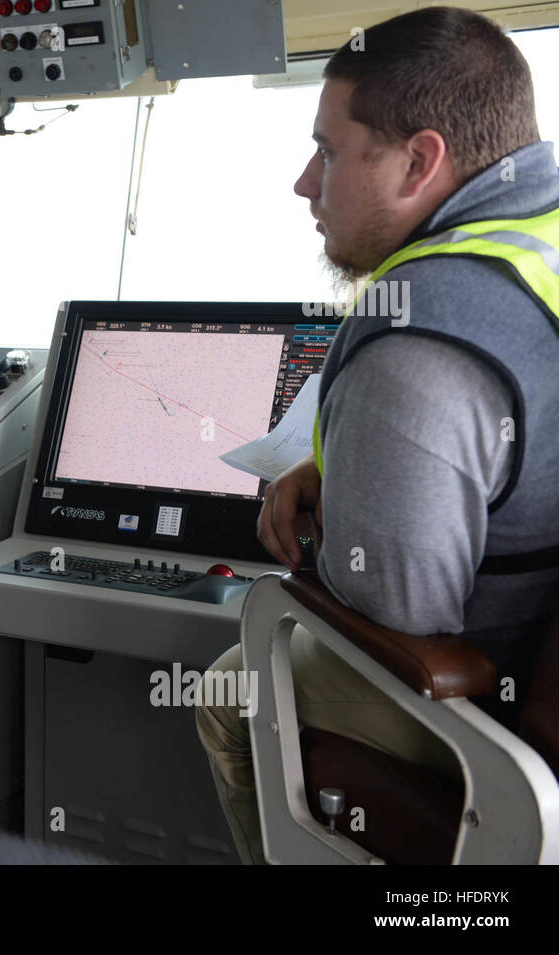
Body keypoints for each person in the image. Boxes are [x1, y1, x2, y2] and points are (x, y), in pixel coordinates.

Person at [195, 6, 559, 864]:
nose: (304, 182)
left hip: (492, 693)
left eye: (327, 149)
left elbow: (404, 616)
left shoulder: (419, 337)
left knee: (224, 689)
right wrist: (341, 461)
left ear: (420, 160)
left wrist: (328, 541)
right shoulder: (536, 239)